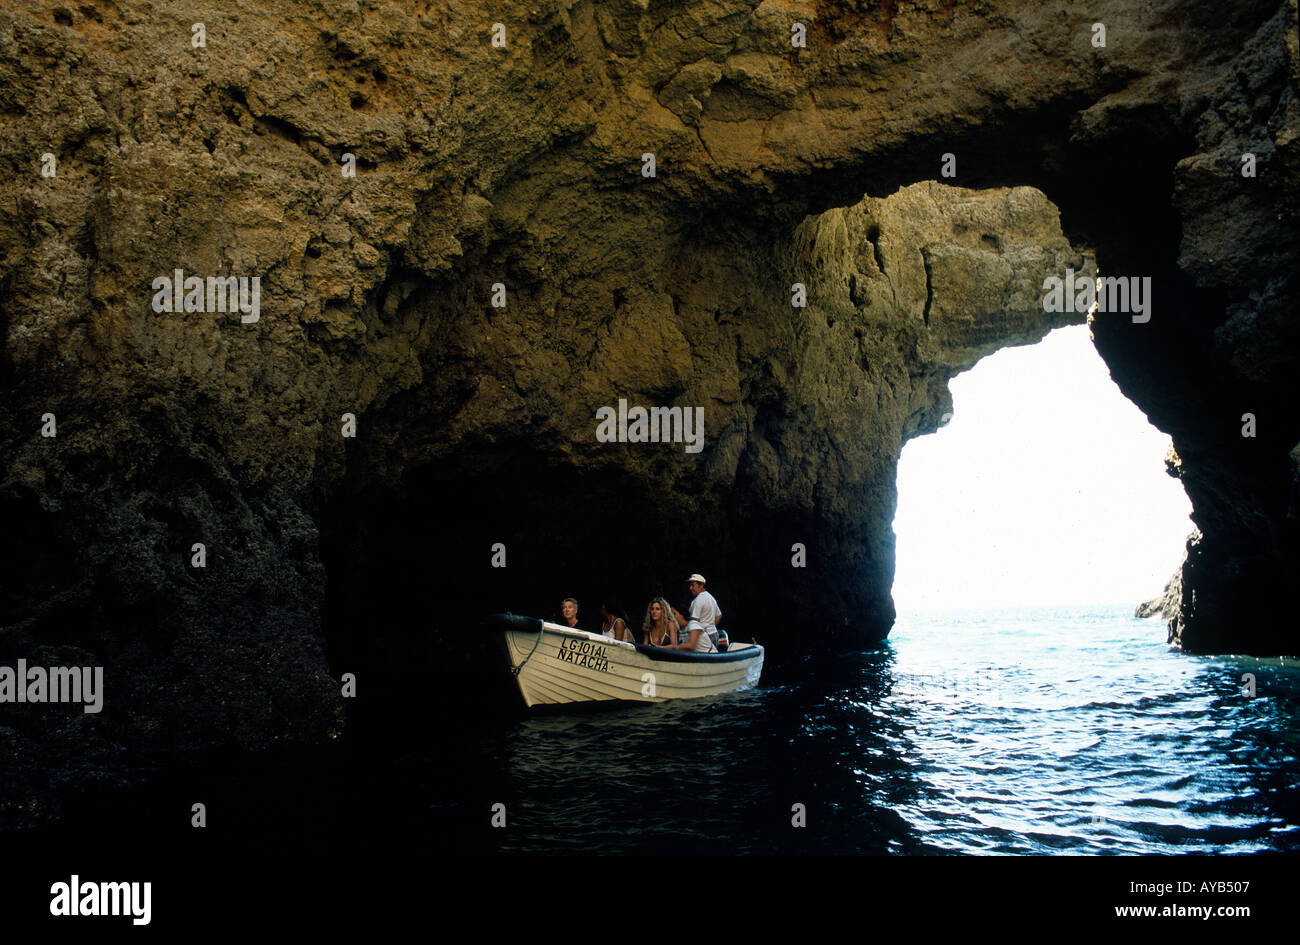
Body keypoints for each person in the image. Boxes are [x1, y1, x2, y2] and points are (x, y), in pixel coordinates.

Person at [662, 574, 720, 653]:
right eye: (690, 585)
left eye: (693, 585)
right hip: (714, 634)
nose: (690, 588)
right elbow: (719, 615)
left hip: (702, 636)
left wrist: (700, 631)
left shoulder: (698, 600)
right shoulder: (711, 598)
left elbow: (694, 620)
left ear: (701, 585)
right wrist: (710, 626)